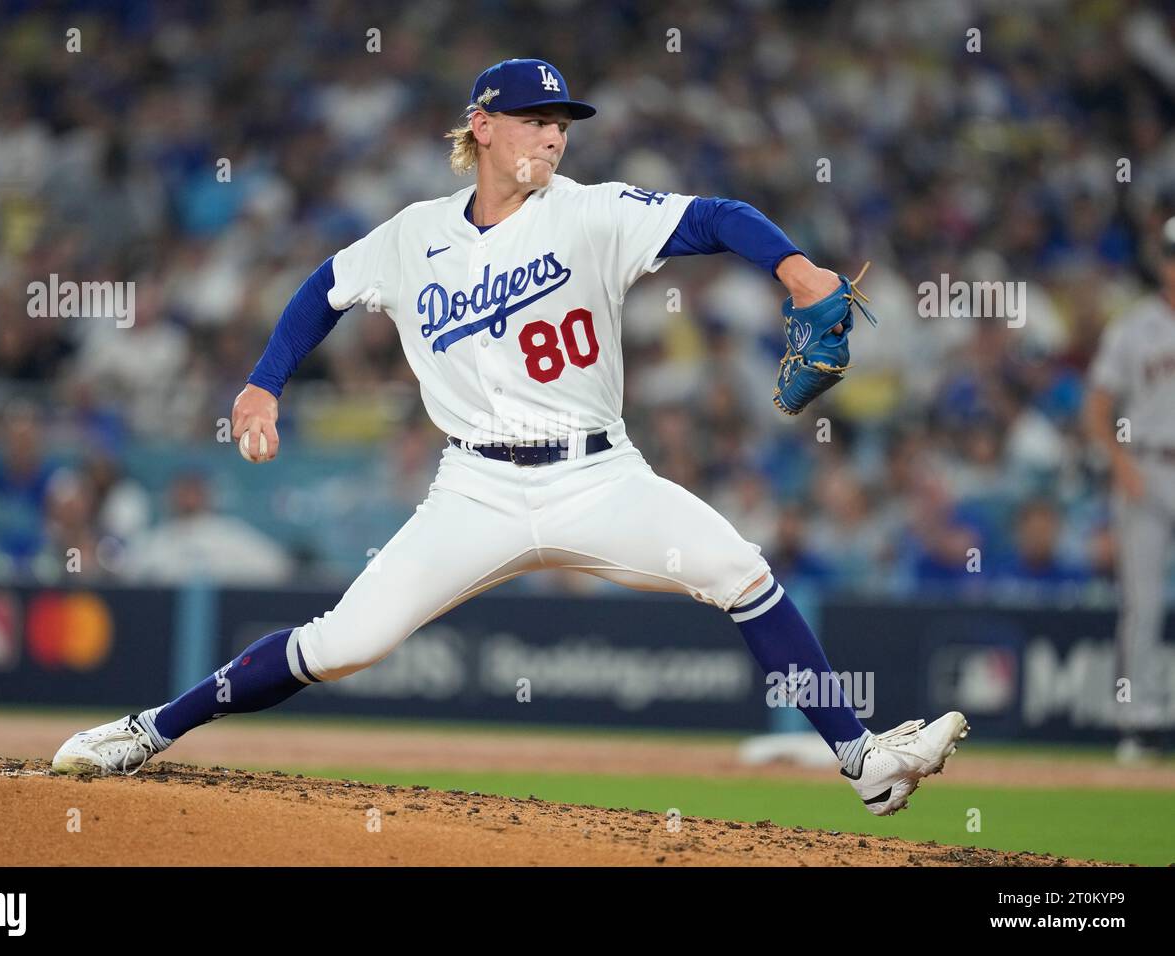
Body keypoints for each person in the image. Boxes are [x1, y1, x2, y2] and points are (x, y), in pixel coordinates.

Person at [54, 59, 968, 816]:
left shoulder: (591, 210)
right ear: (482, 125)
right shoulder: (414, 236)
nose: (554, 135)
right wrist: (262, 383)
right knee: (340, 646)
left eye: (562, 122)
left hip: (600, 476)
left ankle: (863, 760)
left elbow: (716, 217)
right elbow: (320, 292)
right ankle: (148, 732)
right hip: (474, 491)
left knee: (742, 574)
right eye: (535, 119)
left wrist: (801, 271)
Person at [1083, 215, 1175, 762]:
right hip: (1146, 465)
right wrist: (1118, 461)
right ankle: (1136, 723)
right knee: (1142, 603)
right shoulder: (1134, 326)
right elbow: (1097, 407)